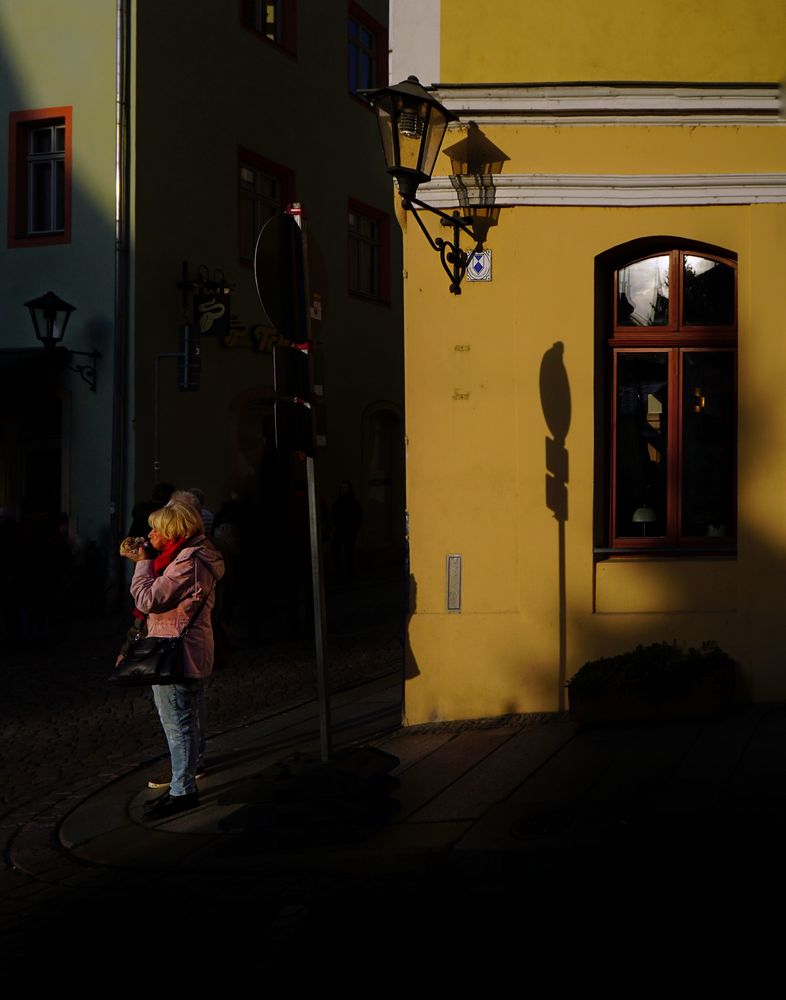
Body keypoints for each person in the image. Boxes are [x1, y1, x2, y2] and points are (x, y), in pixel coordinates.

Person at [120, 501, 224, 819]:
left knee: (177, 724)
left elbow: (148, 598)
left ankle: (182, 790)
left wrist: (141, 563)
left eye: (156, 529)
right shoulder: (191, 556)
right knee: (186, 719)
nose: (150, 534)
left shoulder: (187, 563)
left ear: (172, 532)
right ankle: (185, 781)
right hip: (185, 649)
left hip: (176, 654)